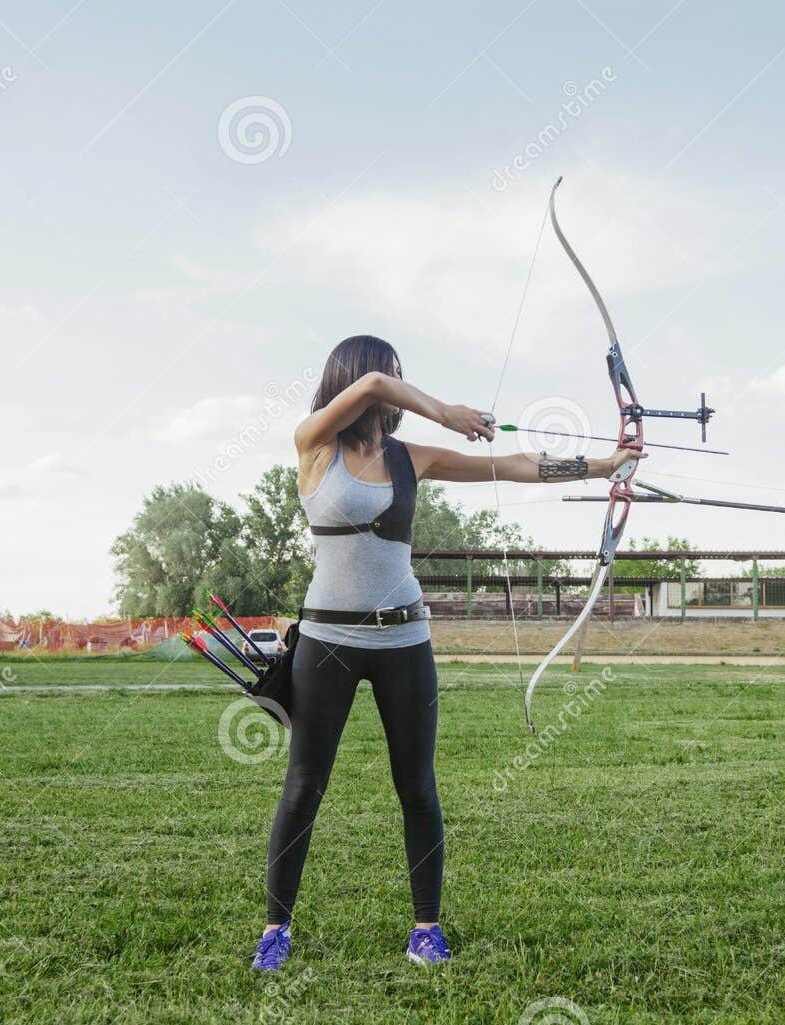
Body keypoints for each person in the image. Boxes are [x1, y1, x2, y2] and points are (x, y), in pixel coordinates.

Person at [251, 334, 642, 972]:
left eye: (403, 376)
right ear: (357, 375)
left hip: (405, 638)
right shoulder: (314, 443)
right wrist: (449, 412)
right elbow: (376, 388)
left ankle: (425, 928)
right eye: (392, 374)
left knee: (419, 788)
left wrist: (601, 467)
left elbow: (512, 466)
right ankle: (275, 930)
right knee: (302, 789)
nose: (396, 384)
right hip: (327, 641)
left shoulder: (411, 458)